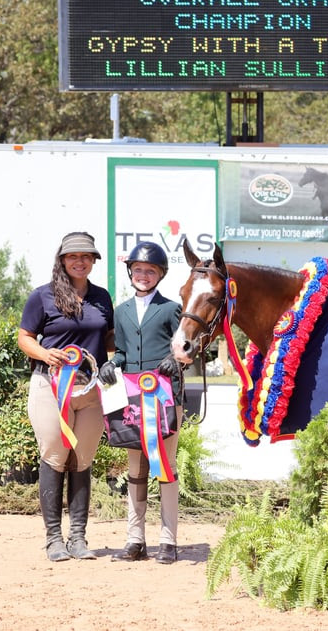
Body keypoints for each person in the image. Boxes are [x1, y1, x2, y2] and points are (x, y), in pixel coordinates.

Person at [18, 231, 114, 562]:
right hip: (50, 387)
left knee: (82, 459)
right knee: (55, 457)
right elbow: (25, 337)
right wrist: (45, 355)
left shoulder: (102, 297)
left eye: (86, 256)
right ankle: (53, 539)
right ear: (62, 260)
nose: (80, 261)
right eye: (73, 256)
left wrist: (113, 362)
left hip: (90, 390)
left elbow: (108, 338)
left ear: (93, 261)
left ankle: (79, 538)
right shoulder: (42, 296)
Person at [99, 241, 183, 565]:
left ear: (160, 274)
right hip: (133, 400)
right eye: (138, 270)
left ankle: (168, 540)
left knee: (167, 466)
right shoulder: (120, 311)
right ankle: (135, 539)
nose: (143, 275)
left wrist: (172, 362)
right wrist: (112, 364)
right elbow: (121, 352)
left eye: (150, 271)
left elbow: (182, 350)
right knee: (135, 470)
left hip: (163, 398)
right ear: (130, 271)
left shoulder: (171, 309)